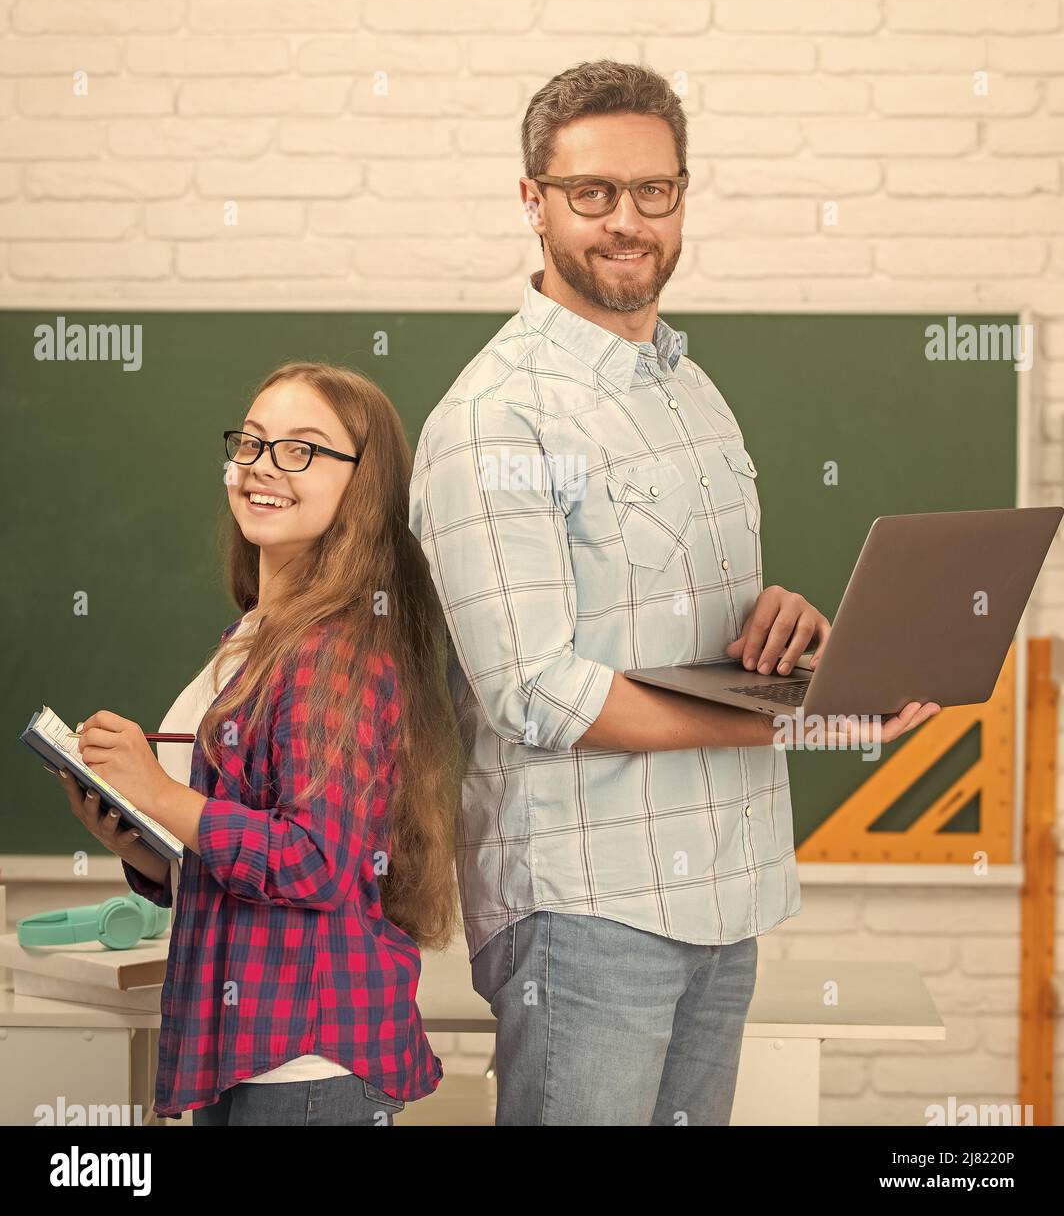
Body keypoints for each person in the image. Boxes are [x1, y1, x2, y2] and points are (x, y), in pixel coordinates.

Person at [409, 60, 939, 1126]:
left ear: (681, 196)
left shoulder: (690, 391)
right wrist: (803, 722)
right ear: (532, 201)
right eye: (591, 193)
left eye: (653, 191)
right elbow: (536, 694)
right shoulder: (496, 419)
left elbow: (685, 628)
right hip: (586, 906)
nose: (626, 222)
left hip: (721, 889)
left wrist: (781, 641)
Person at [60, 361, 462, 1126]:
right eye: (251, 444)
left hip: (305, 1065)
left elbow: (315, 862)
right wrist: (144, 841)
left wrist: (159, 792)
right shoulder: (255, 635)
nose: (262, 468)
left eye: (302, 449)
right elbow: (244, 858)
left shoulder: (331, 653)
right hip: (254, 1049)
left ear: (363, 484)